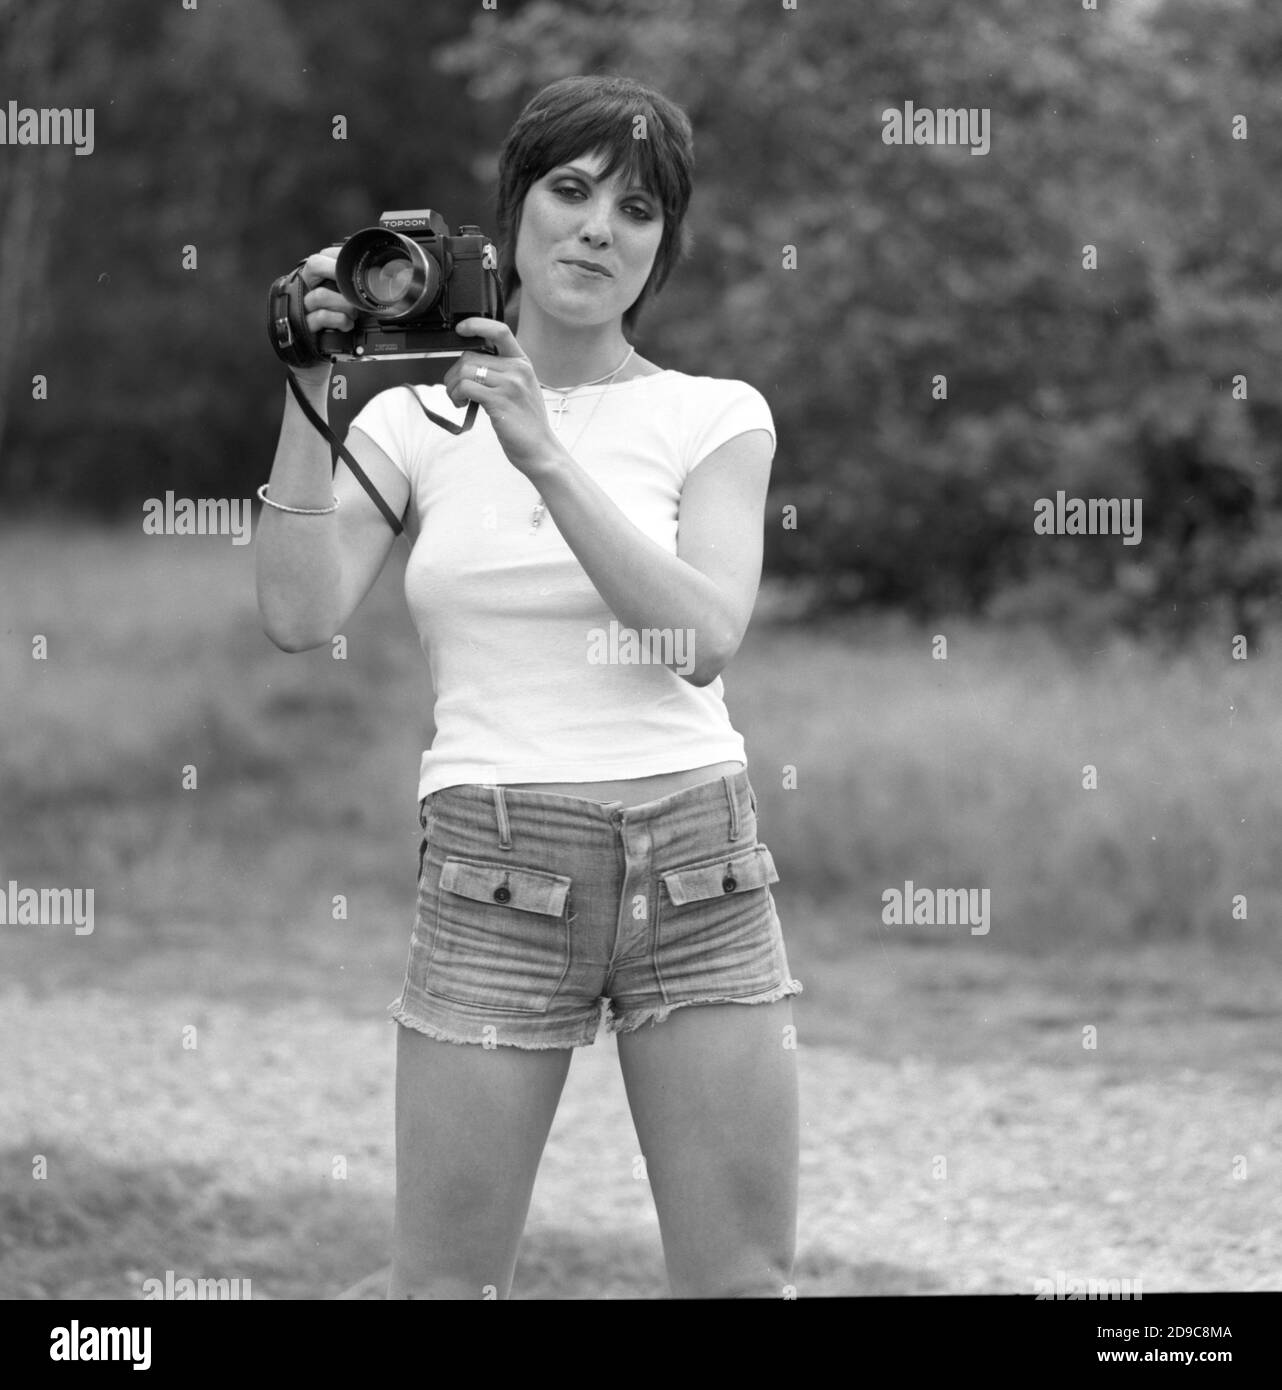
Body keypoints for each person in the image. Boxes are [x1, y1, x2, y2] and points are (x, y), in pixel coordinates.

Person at [256, 74, 802, 1300]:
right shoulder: (408, 426)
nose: (600, 227)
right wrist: (307, 387)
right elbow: (297, 615)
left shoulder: (713, 416)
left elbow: (703, 635)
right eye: (570, 190)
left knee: (741, 1284)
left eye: (640, 208)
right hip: (497, 869)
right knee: (442, 1288)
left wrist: (543, 448)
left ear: (665, 247)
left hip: (698, 866)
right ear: (509, 217)